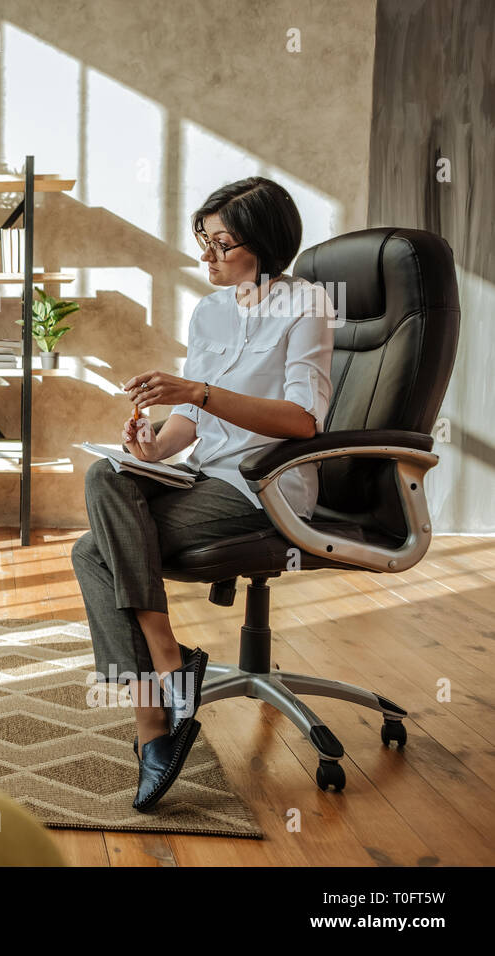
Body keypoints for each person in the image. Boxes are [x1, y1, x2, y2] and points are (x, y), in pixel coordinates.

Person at [72, 177, 334, 811]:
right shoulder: (210, 311)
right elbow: (192, 423)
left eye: (223, 243)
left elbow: (302, 421)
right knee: (107, 473)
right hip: (204, 475)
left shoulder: (309, 305)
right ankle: (168, 668)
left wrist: (196, 392)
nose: (208, 257)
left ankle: (154, 716)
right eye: (203, 242)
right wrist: (152, 447)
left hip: (263, 486)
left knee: (91, 554)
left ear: (264, 244)